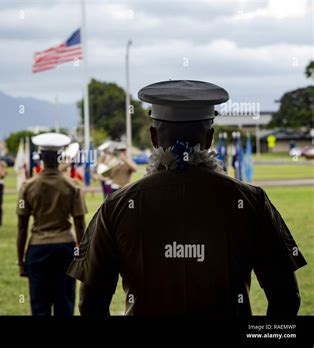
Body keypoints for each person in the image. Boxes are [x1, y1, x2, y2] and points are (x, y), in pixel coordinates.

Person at [67, 80, 307, 316]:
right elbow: (286, 296)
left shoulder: (116, 206)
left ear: (153, 137)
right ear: (210, 137)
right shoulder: (251, 201)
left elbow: (90, 302)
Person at [16, 133, 87, 316]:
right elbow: (79, 224)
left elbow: (22, 226)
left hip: (38, 248)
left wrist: (21, 261)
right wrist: (84, 256)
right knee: (64, 304)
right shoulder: (72, 186)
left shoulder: (28, 186)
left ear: (40, 158)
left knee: (40, 306)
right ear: (60, 158)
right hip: (65, 248)